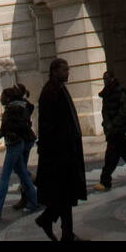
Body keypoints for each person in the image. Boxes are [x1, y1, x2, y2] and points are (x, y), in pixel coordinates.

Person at [34, 57, 88, 242]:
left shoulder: (58, 89)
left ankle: (65, 232)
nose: (68, 72)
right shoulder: (50, 92)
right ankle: (49, 221)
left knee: (67, 195)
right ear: (55, 71)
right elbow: (49, 126)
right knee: (64, 194)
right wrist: (60, 150)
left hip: (65, 152)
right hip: (59, 155)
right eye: (65, 69)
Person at [0, 86, 38, 218]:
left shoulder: (12, 110)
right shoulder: (20, 106)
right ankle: (34, 201)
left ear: (7, 98)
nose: (0, 98)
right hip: (19, 143)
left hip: (14, 145)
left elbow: (3, 131)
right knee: (23, 174)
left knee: (5, 177)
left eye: (2, 96)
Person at [12, 81, 36, 210]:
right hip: (25, 139)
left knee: (21, 169)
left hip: (25, 140)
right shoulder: (23, 104)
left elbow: (22, 122)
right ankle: (26, 196)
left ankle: (28, 195)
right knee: (21, 169)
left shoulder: (21, 105)